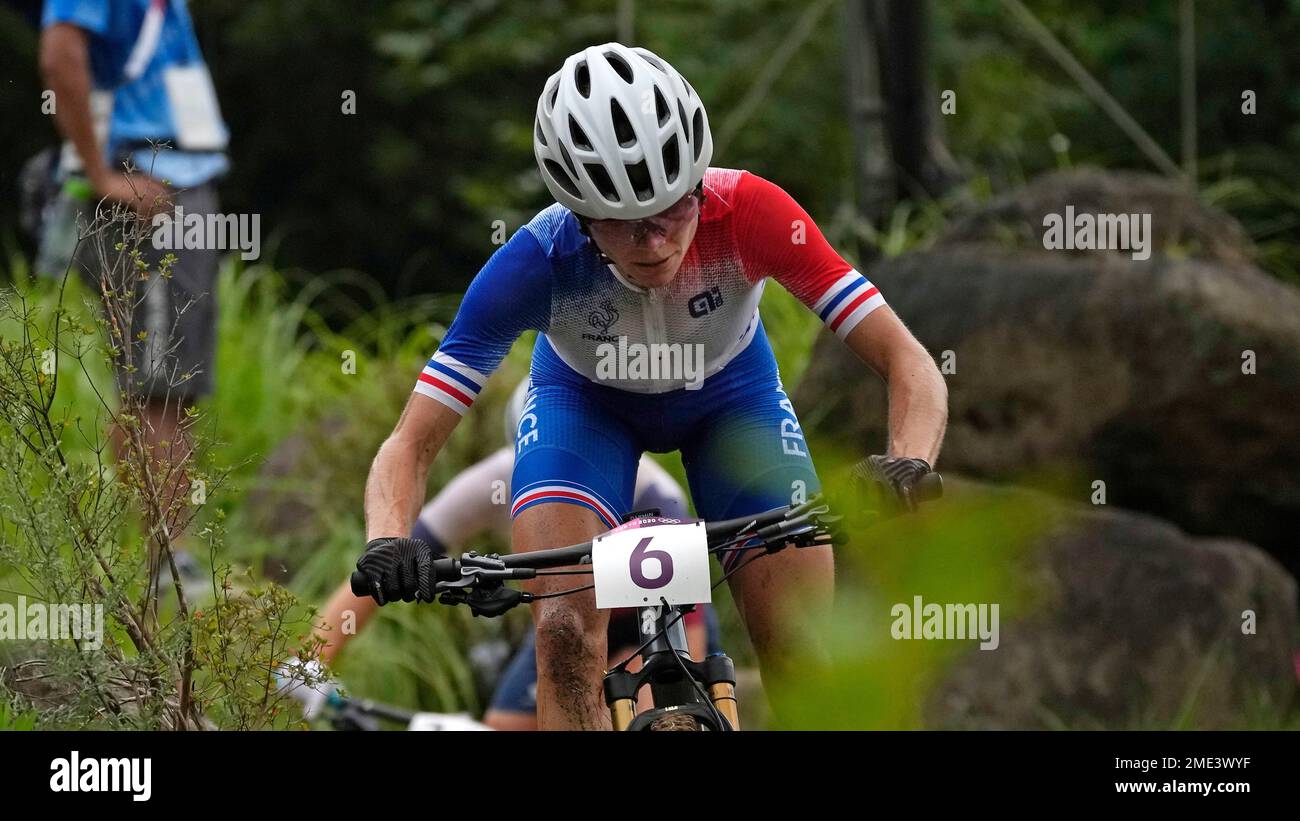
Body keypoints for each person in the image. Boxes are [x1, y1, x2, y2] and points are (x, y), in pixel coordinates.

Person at [355, 43, 948, 730]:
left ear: (699, 182)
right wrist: (386, 539)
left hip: (732, 399)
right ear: (577, 215)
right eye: (623, 222)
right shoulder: (536, 262)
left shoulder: (753, 212)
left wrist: (909, 459)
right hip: (585, 409)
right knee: (566, 637)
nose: (656, 239)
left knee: (805, 648)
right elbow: (410, 443)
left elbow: (909, 362)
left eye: (672, 208)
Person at [292, 380, 720, 730]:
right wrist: (308, 663)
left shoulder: (653, 492)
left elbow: (687, 616)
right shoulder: (489, 482)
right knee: (503, 725)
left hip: (657, 614)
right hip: (570, 609)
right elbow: (387, 570)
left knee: (661, 716)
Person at [39, 0, 230, 584]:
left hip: (185, 183)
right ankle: (166, 561)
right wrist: (101, 175)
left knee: (179, 384)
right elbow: (59, 50)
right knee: (155, 383)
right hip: (142, 187)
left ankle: (176, 554)